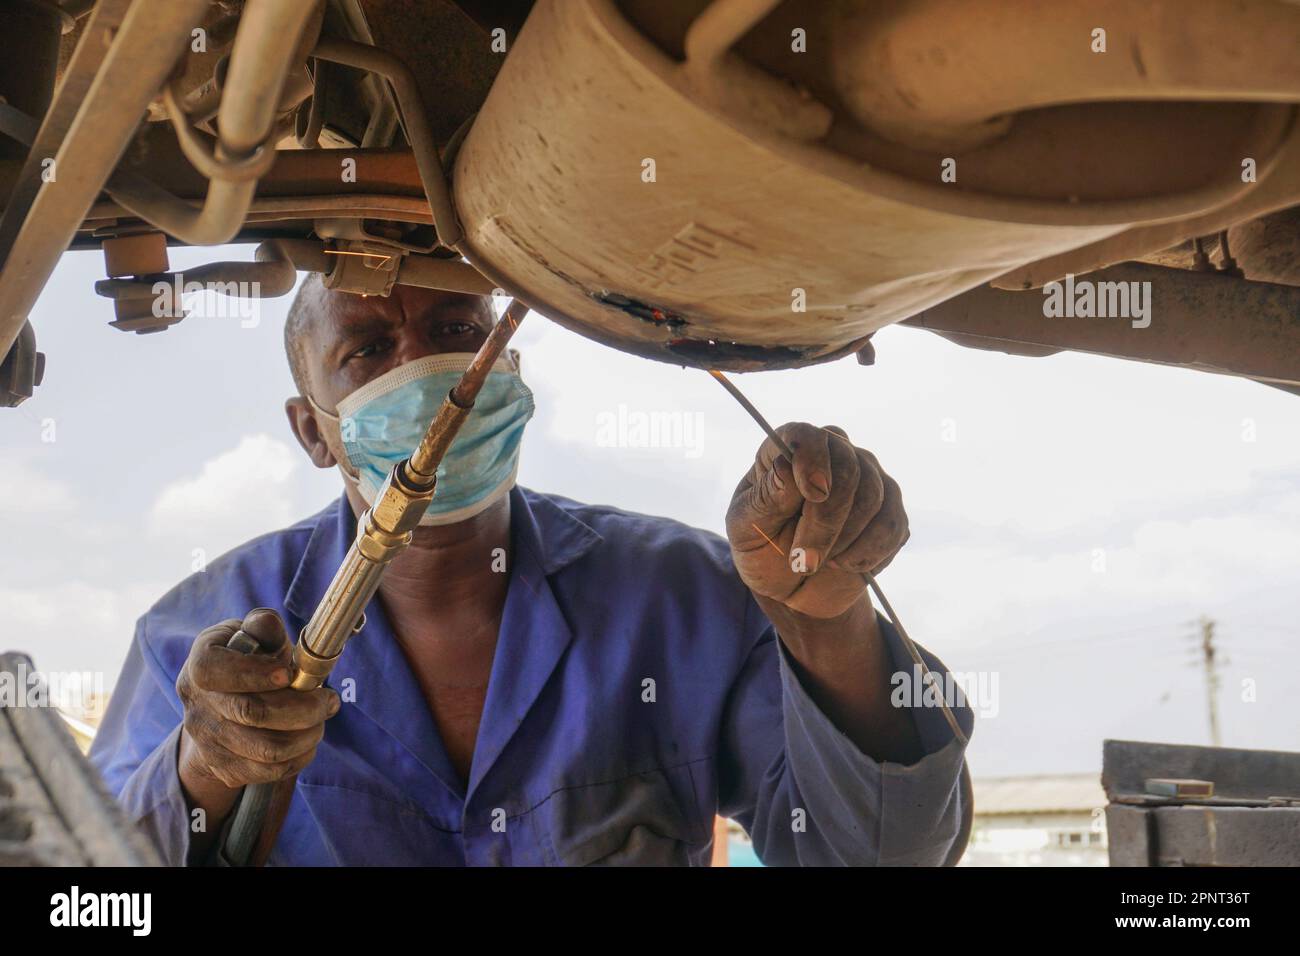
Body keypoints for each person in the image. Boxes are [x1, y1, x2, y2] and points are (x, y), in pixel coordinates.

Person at [90, 278, 972, 866]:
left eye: (454, 333)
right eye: (365, 348)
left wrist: (824, 618)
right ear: (312, 429)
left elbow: (886, 851)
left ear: (509, 373)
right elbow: (85, 901)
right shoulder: (191, 643)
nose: (425, 371)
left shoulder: (688, 596)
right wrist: (204, 770)